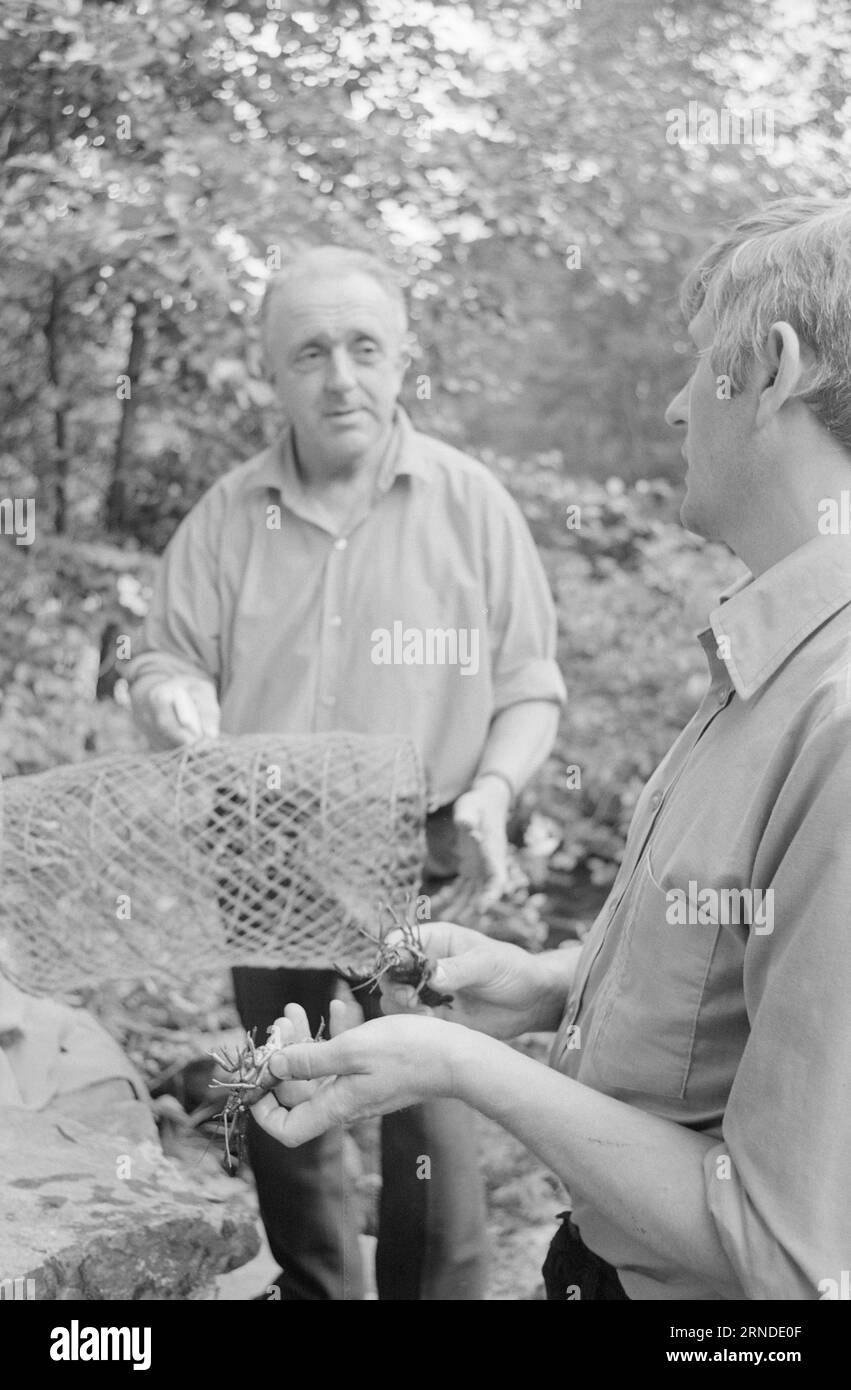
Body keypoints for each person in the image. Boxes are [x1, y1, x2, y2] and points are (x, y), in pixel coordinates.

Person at [251, 198, 851, 1301]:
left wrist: (459, 1066)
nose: (673, 408)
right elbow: (761, 962)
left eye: (692, 364)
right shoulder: (769, 659)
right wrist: (542, 986)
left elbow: (787, 1252)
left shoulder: (834, 717)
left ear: (768, 371)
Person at [128, 245, 566, 1300]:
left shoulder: (472, 506)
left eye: (363, 348)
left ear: (401, 357)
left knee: (431, 1103)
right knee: (277, 1081)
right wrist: (166, 691)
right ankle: (319, 1288)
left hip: (415, 841)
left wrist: (493, 792)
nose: (339, 377)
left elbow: (529, 686)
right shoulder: (227, 517)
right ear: (271, 372)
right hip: (259, 843)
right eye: (309, 352)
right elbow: (161, 655)